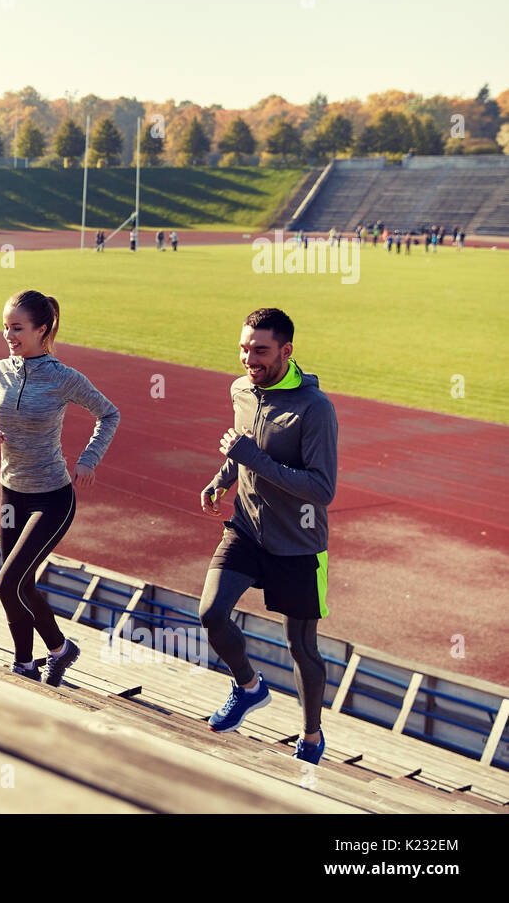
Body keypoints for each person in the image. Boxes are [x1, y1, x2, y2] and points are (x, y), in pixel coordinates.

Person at [199, 308, 338, 765]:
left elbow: (322, 489)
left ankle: (312, 736)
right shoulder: (241, 389)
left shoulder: (315, 409)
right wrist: (222, 477)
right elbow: (243, 445)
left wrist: (251, 459)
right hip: (247, 527)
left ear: (286, 351)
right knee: (211, 613)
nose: (248, 358)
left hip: (298, 544)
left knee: (301, 647)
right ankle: (248, 687)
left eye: (260, 350)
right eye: (243, 348)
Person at [0, 291, 120, 687]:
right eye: (5, 326)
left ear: (42, 329)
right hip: (11, 494)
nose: (8, 335)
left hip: (52, 497)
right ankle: (24, 663)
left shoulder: (63, 377)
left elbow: (109, 413)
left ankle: (59, 648)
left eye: (17, 328)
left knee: (9, 582)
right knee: (17, 585)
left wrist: (89, 458)